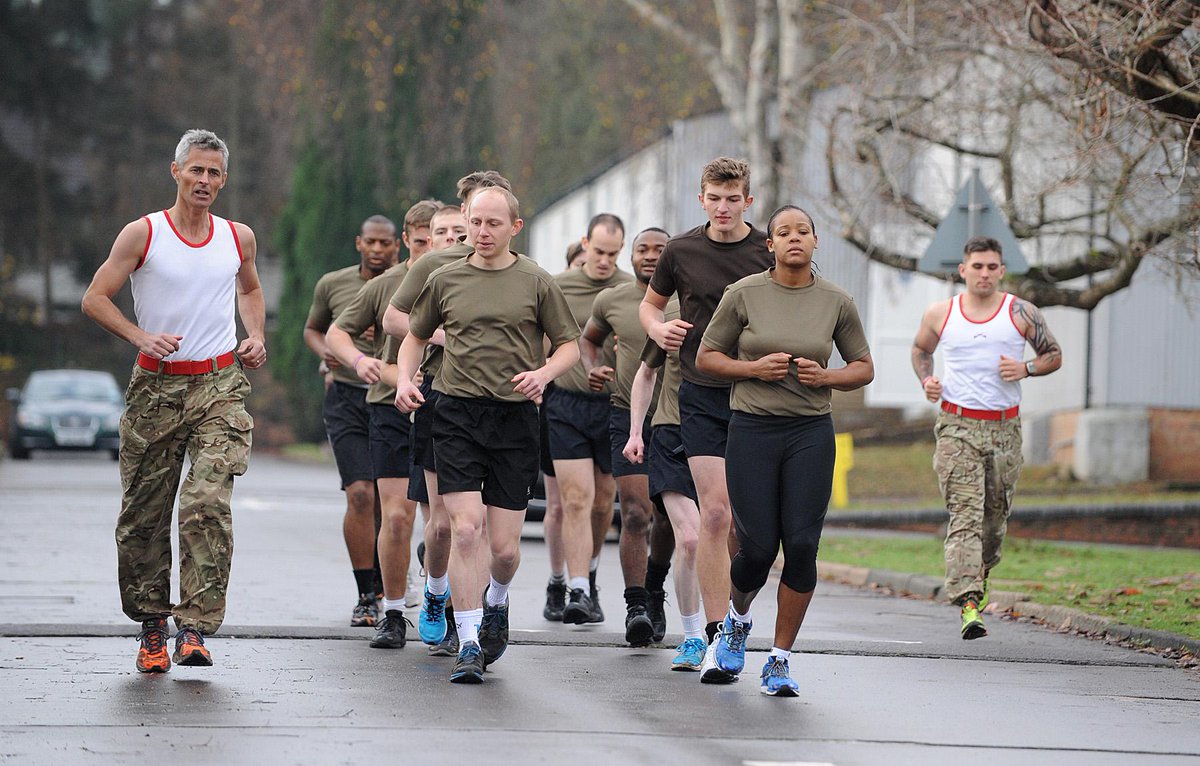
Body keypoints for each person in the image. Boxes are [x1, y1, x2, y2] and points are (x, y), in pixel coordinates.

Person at [81, 129, 266, 672]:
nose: (204, 180)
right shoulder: (144, 233)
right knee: (144, 514)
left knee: (206, 502)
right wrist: (140, 337)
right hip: (155, 389)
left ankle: (196, 627)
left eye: (214, 173)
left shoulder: (238, 238)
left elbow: (250, 290)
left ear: (224, 180)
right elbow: (94, 298)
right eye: (196, 170)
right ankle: (153, 627)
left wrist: (254, 336)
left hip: (219, 385)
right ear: (176, 171)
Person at [395, 186, 580, 684]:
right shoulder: (445, 276)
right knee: (466, 528)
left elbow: (569, 346)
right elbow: (413, 337)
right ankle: (471, 640)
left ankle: (496, 599)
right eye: (475, 222)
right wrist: (403, 380)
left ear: (514, 228)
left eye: (492, 224)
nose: (481, 232)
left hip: (515, 419)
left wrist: (543, 375)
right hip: (455, 413)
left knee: (503, 548)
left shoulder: (536, 280)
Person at [696, 204, 874, 695]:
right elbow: (706, 356)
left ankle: (779, 659)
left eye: (804, 231)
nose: (794, 238)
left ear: (816, 242)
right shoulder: (744, 294)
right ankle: (735, 622)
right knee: (755, 548)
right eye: (783, 232)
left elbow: (863, 366)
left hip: (810, 433)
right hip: (752, 429)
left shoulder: (836, 300)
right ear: (769, 244)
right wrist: (753, 370)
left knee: (800, 546)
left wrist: (829, 377)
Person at [639, 157, 773, 680]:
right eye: (713, 198)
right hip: (700, 394)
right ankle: (716, 636)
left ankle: (736, 619)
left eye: (732, 198)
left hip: (757, 396)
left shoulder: (767, 249)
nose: (722, 207)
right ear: (701, 199)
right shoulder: (681, 250)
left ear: (747, 200)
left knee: (747, 528)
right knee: (713, 517)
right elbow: (650, 308)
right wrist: (656, 330)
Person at [382, 172, 511, 658]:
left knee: (477, 527)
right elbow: (397, 320)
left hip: (498, 404)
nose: (476, 229)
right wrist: (444, 338)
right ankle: (436, 592)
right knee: (442, 525)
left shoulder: (517, 268)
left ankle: (471, 620)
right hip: (440, 395)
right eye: (473, 214)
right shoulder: (437, 265)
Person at [911, 235, 1062, 640]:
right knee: (965, 515)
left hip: (1004, 429)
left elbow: (1053, 354)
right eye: (977, 266)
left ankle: (980, 575)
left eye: (992, 267)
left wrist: (1026, 369)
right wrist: (927, 380)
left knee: (994, 524)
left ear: (1001, 270)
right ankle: (968, 602)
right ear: (963, 270)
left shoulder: (1020, 312)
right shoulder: (941, 313)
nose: (984, 273)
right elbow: (920, 350)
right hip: (957, 426)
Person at [324, 200, 443, 648]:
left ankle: (442, 602)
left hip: (448, 408)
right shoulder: (387, 285)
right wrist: (359, 360)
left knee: (444, 523)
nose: (433, 247)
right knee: (396, 516)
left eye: (443, 238)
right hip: (389, 409)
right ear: (408, 241)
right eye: (423, 240)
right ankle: (391, 611)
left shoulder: (463, 280)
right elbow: (337, 330)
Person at [582, 227, 677, 646]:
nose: (652, 256)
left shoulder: (687, 299)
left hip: (678, 418)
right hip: (626, 416)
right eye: (643, 249)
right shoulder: (613, 298)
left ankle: (655, 587)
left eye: (661, 250)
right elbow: (589, 340)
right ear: (631, 255)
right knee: (636, 513)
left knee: (670, 516)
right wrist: (592, 366)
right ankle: (636, 605)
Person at [303, 214, 399, 627]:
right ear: (359, 243)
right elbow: (313, 329)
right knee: (360, 493)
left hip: (393, 397)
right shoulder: (333, 283)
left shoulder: (408, 282)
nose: (378, 250)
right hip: (345, 395)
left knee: (386, 499)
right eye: (371, 243)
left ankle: (386, 580)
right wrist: (326, 351)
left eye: (385, 243)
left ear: (397, 246)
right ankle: (366, 595)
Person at [545, 214, 632, 625]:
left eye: (613, 254)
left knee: (602, 503)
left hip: (613, 407)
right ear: (584, 243)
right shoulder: (560, 286)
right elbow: (543, 342)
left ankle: (590, 574)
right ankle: (574, 587)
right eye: (598, 252)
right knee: (574, 499)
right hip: (566, 404)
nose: (604, 261)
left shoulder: (629, 290)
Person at [624, 301, 707, 671]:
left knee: (730, 539)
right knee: (690, 538)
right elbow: (646, 373)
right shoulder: (673, 312)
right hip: (671, 432)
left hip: (729, 433)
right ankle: (693, 637)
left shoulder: (749, 303)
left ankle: (729, 629)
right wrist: (635, 432)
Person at [538, 238, 587, 620]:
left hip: (602, 408)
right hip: (555, 403)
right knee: (559, 503)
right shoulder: (554, 289)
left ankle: (584, 580)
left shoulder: (614, 291)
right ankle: (560, 582)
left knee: (594, 504)